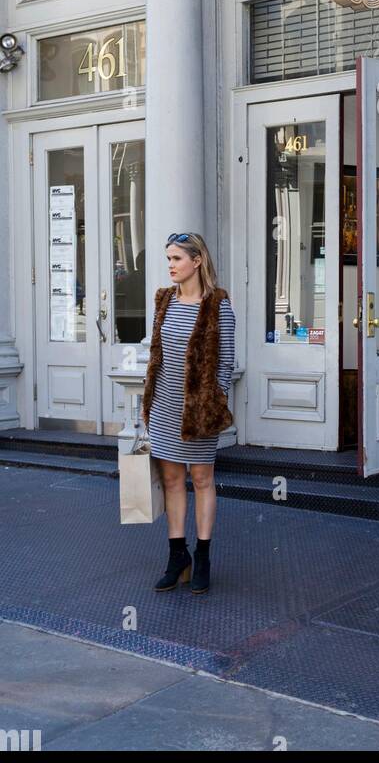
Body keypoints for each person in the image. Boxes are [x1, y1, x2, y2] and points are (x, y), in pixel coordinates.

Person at [140, 233, 235, 595]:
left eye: (176, 258)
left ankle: (204, 555)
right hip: (164, 403)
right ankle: (177, 555)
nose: (170, 265)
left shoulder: (217, 305)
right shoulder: (164, 300)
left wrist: (214, 403)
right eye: (168, 258)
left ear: (197, 261)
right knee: (172, 479)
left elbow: (226, 361)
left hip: (198, 408)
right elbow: (157, 354)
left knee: (202, 479)